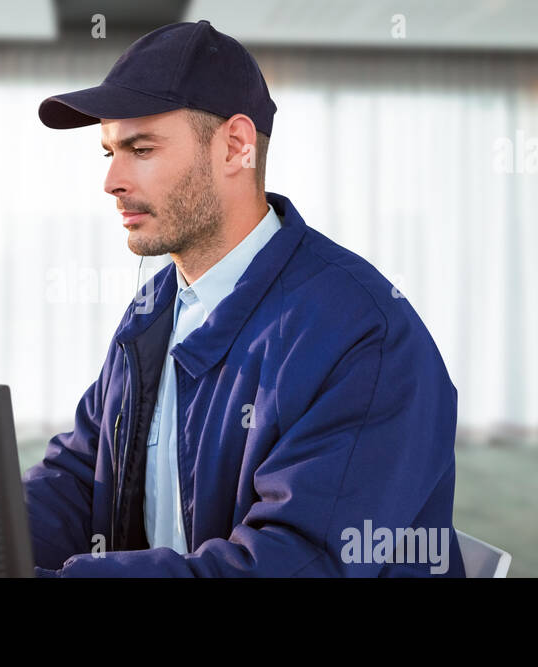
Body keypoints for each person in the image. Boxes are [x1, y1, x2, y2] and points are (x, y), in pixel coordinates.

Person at [25, 20, 464, 577]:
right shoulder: (155, 310)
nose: (111, 179)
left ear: (235, 146)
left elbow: (297, 563)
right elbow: (81, 477)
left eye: (141, 148)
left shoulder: (365, 336)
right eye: (108, 151)